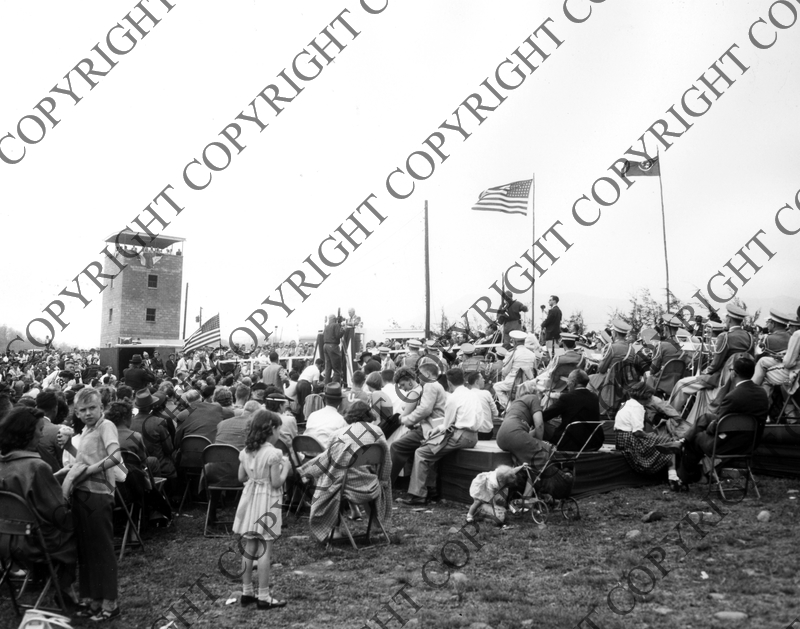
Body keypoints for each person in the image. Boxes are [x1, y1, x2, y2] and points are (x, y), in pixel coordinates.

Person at [0, 406, 78, 608]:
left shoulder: (4, 464)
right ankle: (66, 586)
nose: (42, 434)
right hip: (38, 542)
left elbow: (20, 497)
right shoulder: (37, 466)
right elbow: (58, 512)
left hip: (7, 540)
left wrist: (52, 478)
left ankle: (46, 578)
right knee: (81, 525)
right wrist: (68, 483)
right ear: (27, 432)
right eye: (39, 429)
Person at [658, 355, 770, 485]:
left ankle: (685, 478)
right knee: (705, 417)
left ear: (734, 373)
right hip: (750, 441)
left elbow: (716, 427)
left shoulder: (733, 396)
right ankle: (682, 441)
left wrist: (708, 429)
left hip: (729, 443)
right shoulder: (762, 393)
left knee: (696, 439)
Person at [62, 387, 124, 620]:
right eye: (83, 410)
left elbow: (115, 457)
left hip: (98, 495)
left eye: (92, 408)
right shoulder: (88, 429)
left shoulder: (105, 426)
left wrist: (88, 470)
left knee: (102, 550)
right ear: (76, 413)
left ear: (101, 408)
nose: (88, 413)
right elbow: (85, 458)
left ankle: (110, 603)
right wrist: (68, 447)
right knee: (87, 550)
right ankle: (94, 601)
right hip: (82, 493)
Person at [298, 401, 392, 543]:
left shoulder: (338, 434)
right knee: (367, 474)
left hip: (345, 487)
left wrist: (306, 472)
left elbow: (326, 460)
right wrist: (383, 481)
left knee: (329, 476)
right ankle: (376, 523)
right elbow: (387, 460)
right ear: (368, 414)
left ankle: (333, 529)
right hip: (371, 485)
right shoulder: (376, 431)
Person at [232, 410, 290, 610]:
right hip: (267, 501)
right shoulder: (274, 453)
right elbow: (276, 483)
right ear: (272, 429)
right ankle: (264, 596)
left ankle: (247, 591)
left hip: (250, 499)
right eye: (279, 428)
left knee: (250, 547)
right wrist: (286, 469)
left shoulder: (246, 451)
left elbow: (241, 478)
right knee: (265, 546)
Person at [398, 368, 480, 506]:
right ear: (463, 379)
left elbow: (447, 424)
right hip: (473, 436)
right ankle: (432, 489)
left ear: (448, 382)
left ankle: (418, 495)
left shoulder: (453, 398)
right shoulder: (472, 394)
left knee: (422, 452)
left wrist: (434, 431)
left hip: (460, 436)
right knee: (431, 445)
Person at [669, 304, 754, 416]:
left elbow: (715, 364)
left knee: (681, 384)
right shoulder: (750, 337)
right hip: (738, 379)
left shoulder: (725, 336)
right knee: (701, 390)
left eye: (726, 318)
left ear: (729, 319)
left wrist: (704, 372)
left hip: (720, 380)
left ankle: (668, 415)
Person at [389, 364, 447, 487]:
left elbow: (424, 410)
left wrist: (407, 420)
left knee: (396, 446)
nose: (418, 377)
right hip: (431, 427)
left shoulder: (427, 386)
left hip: (429, 428)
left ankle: (387, 484)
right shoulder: (428, 387)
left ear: (427, 375)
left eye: (403, 385)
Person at [613, 382, 674, 479]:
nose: (650, 400)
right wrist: (651, 435)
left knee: (659, 439)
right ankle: (673, 476)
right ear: (645, 396)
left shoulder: (627, 403)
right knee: (669, 442)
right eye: (650, 397)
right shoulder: (637, 407)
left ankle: (671, 474)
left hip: (621, 439)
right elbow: (637, 432)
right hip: (631, 441)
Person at [542, 369, 604, 452]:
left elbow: (545, 416)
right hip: (593, 441)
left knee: (540, 423)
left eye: (568, 381)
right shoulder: (594, 397)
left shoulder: (567, 398)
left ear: (573, 382)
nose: (567, 384)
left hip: (571, 442)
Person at [493, 330, 537, 408]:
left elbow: (505, 372)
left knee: (496, 386)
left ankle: (509, 408)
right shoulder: (532, 354)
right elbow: (535, 370)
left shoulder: (512, 353)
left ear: (514, 341)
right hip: (528, 382)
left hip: (514, 382)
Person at [646, 314, 688, 394]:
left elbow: (653, 370)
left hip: (662, 381)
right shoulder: (683, 347)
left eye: (664, 328)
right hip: (677, 382)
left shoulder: (661, 345)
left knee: (647, 375)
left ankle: (649, 404)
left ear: (666, 328)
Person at [304, 383, 347, 448]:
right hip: (326, 455)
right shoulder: (341, 420)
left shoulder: (312, 415)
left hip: (307, 452)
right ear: (340, 401)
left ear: (324, 399)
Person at [466, 372, 498, 440]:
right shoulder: (486, 393)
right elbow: (496, 413)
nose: (484, 380)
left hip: (471, 433)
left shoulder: (465, 394)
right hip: (487, 433)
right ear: (477, 382)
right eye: (482, 378)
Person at [322, 314, 344, 384]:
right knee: (337, 368)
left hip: (325, 346)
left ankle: (326, 386)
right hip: (333, 346)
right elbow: (338, 335)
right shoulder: (335, 325)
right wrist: (343, 330)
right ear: (334, 319)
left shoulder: (327, 326)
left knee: (328, 368)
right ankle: (335, 386)